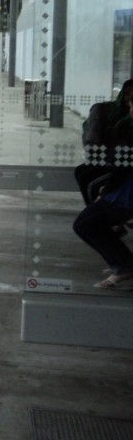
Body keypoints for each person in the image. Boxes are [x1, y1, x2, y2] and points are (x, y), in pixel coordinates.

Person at [73, 86, 133, 288]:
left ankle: (124, 265)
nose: (130, 108)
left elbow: (120, 162)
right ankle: (122, 262)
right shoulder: (123, 124)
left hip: (125, 196)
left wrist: (106, 192)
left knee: (85, 224)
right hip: (122, 191)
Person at [74, 79, 133, 205]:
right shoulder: (109, 111)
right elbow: (92, 139)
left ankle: (97, 210)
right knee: (82, 172)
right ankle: (93, 209)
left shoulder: (126, 121)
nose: (129, 99)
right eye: (127, 94)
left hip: (122, 167)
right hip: (112, 159)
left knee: (90, 180)